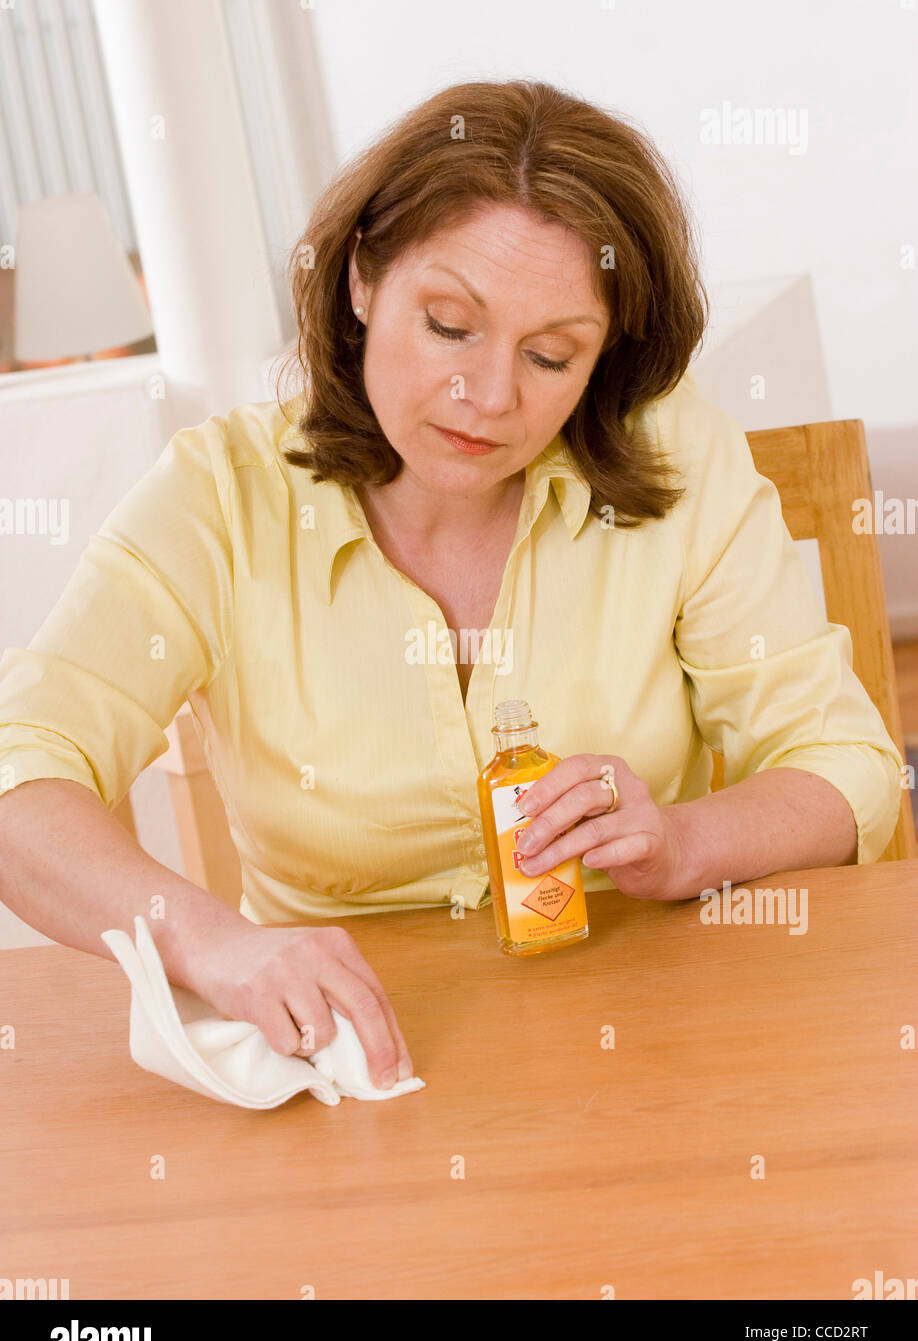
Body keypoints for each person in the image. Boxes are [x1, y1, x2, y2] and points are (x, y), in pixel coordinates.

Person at [0, 80, 903, 1091]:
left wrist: (684, 839)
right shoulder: (225, 495)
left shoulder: (672, 453)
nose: (491, 397)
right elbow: (19, 768)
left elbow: (847, 764)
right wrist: (212, 941)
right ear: (361, 280)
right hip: (358, 1065)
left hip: (665, 1042)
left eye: (552, 354)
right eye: (447, 325)